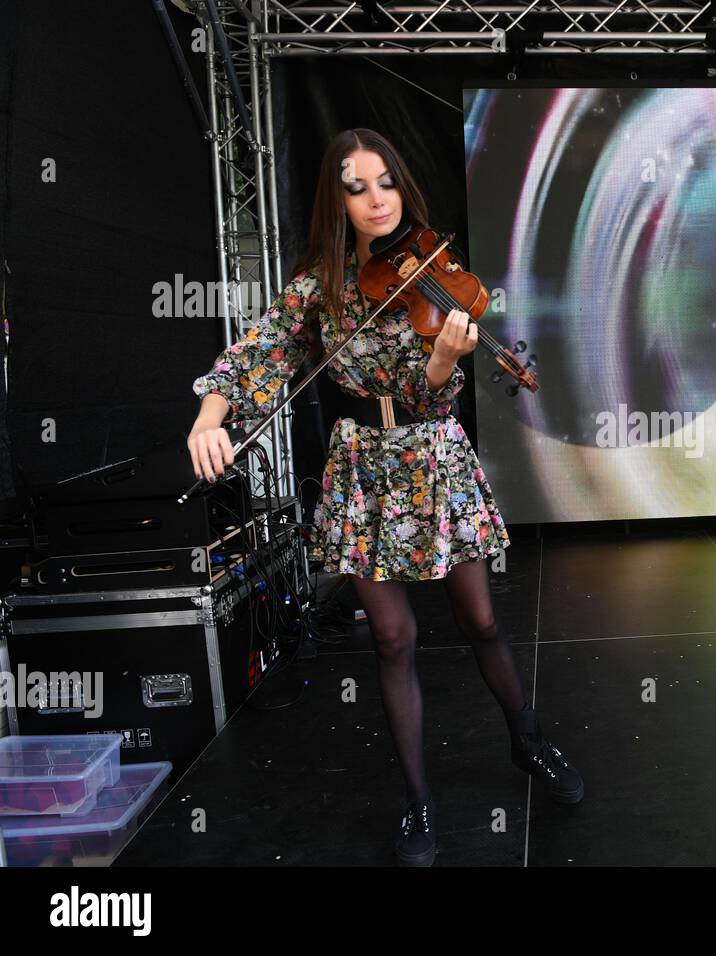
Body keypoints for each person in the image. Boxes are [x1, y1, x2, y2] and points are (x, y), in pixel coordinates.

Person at [187, 128, 582, 867]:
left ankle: (530, 741)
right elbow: (259, 352)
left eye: (386, 183)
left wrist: (441, 363)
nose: (375, 200)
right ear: (336, 199)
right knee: (393, 640)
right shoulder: (320, 285)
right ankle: (418, 802)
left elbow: (429, 396)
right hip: (362, 471)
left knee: (482, 621)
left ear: (404, 187)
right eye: (356, 186)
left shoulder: (435, 271)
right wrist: (211, 415)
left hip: (433, 459)